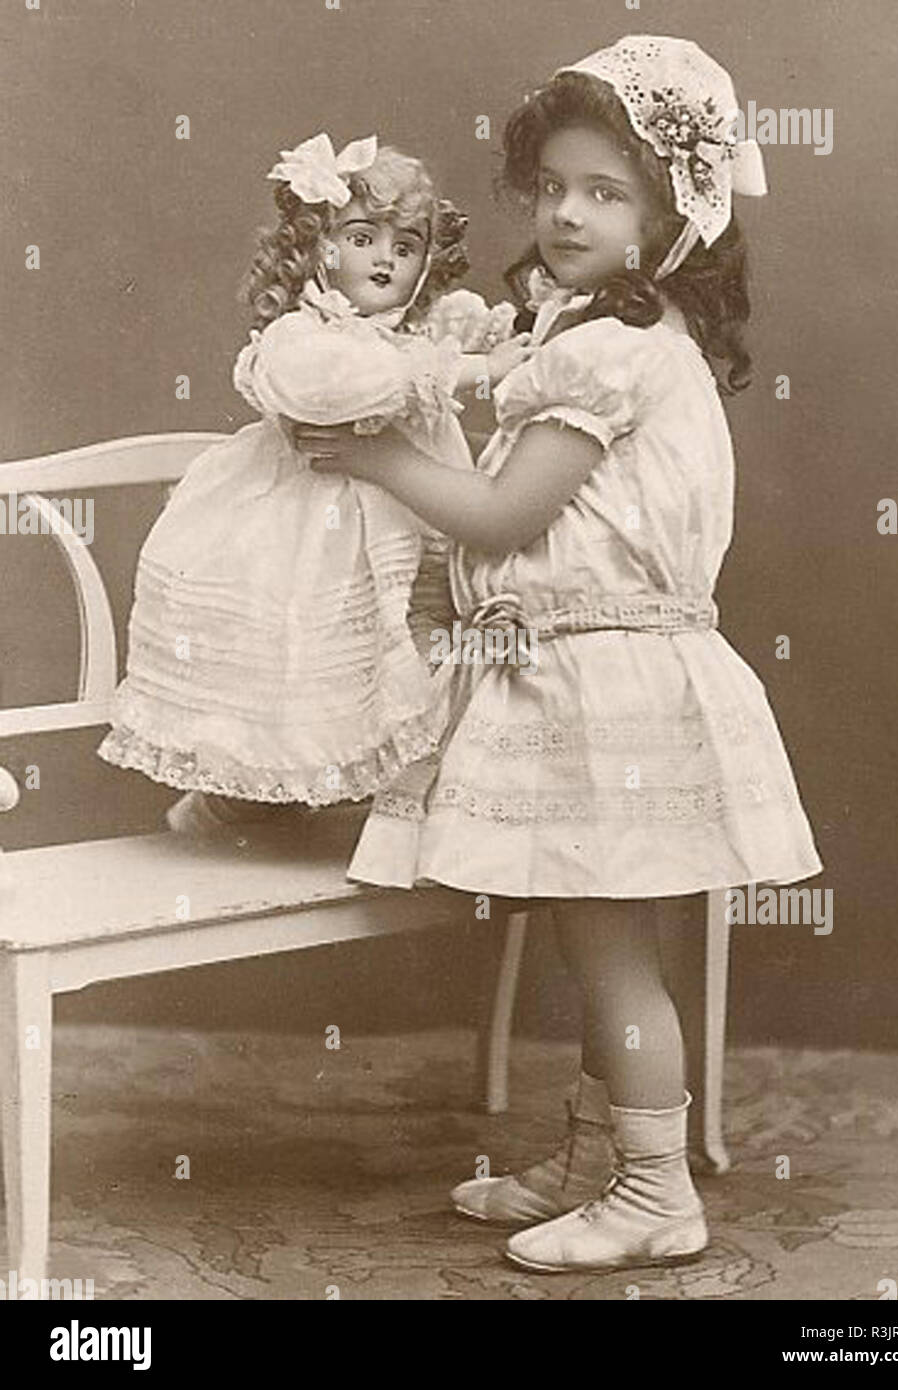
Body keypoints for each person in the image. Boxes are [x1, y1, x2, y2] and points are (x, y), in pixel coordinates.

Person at [295, 36, 824, 1275]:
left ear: (672, 221)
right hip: (592, 672)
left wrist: (374, 456)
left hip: (610, 685)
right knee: (607, 945)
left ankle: (652, 1189)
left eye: (608, 193)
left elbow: (500, 516)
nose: (567, 211)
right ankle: (600, 1158)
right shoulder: (597, 335)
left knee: (610, 950)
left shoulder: (614, 353)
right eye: (554, 186)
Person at [97, 132, 528, 830]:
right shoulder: (303, 339)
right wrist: (473, 369)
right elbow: (329, 391)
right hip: (305, 540)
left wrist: (491, 340)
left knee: (411, 658)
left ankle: (403, 812)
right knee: (298, 676)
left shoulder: (410, 336)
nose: (386, 256)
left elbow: (458, 337)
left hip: (402, 531)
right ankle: (229, 804)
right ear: (314, 249)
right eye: (361, 237)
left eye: (406, 244)